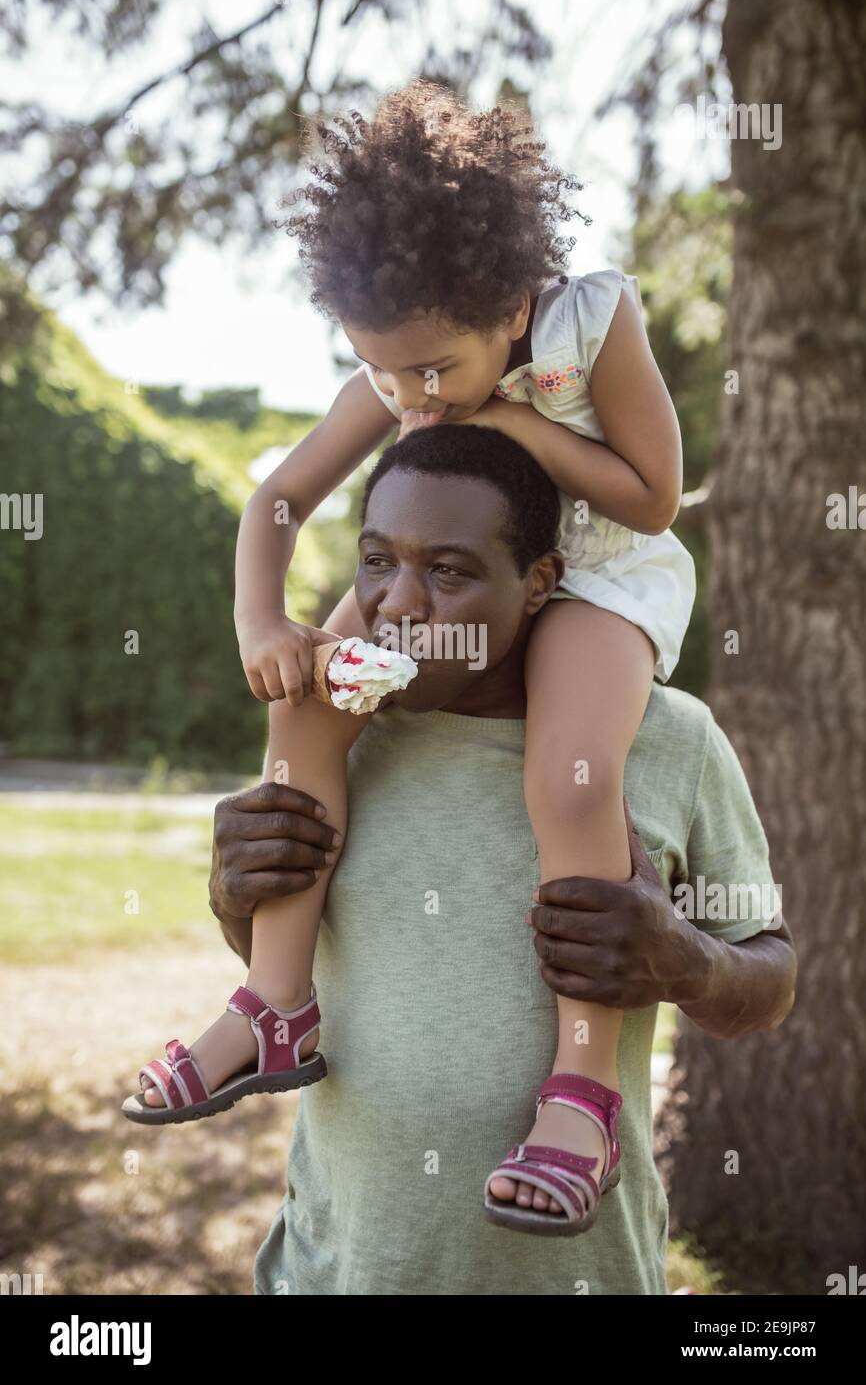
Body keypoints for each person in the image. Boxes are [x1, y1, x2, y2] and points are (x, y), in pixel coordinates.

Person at [126, 77, 696, 1233]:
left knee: (566, 769)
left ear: (508, 300)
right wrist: (264, 623)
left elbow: (651, 498)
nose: (408, 400)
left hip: (587, 574)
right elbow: (279, 496)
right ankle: (276, 1001)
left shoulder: (592, 323)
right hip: (441, 576)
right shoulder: (398, 373)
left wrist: (522, 426)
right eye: (381, 374)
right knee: (308, 711)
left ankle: (578, 1083)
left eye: (430, 370)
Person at [206, 430, 794, 1294]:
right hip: (338, 1270)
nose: (398, 605)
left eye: (449, 572)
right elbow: (297, 968)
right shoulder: (336, 738)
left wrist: (683, 959)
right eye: (376, 561)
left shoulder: (670, 739)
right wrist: (235, 893)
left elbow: (769, 979)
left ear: (540, 584)